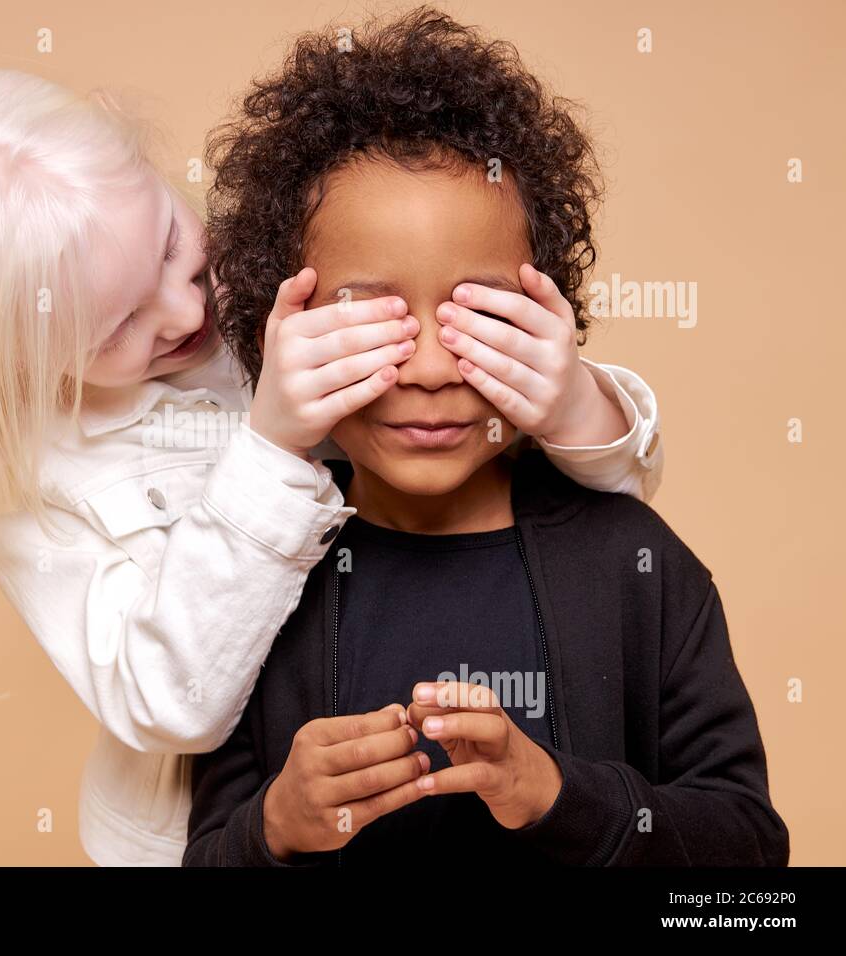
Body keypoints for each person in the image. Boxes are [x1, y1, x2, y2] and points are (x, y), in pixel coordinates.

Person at [0, 63, 664, 867]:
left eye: (167, 243)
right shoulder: (18, 477)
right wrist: (271, 447)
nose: (184, 308)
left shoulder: (261, 265)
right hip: (226, 832)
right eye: (117, 326)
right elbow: (170, 702)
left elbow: (599, 516)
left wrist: (573, 403)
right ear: (8, 356)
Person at [184, 7, 787, 866]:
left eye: (477, 311)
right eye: (371, 317)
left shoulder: (635, 566)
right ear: (280, 326)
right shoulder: (250, 589)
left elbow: (750, 867)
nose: (431, 367)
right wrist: (270, 828)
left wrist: (555, 797)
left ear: (549, 316)